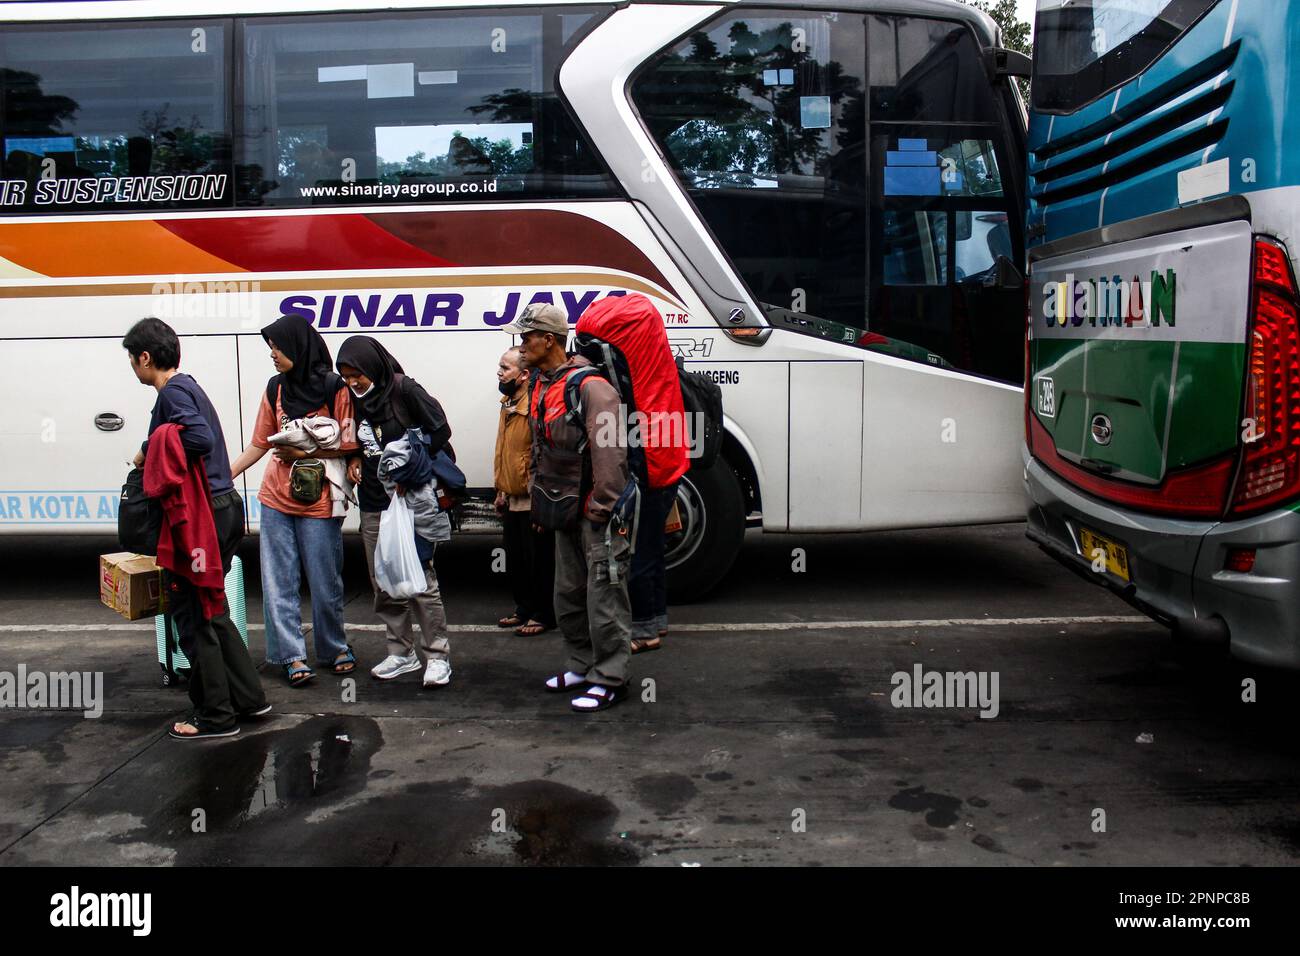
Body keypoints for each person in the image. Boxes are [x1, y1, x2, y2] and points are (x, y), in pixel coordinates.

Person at [123, 317, 269, 739]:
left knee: (193, 613)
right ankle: (248, 698)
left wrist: (151, 447)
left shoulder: (173, 394)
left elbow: (198, 438)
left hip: (201, 516)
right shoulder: (190, 386)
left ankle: (214, 716)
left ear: (145, 358)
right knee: (213, 606)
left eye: (133, 360)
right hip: (221, 509)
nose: (134, 367)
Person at [507, 303, 633, 712]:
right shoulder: (543, 383)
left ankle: (611, 677)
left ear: (550, 340)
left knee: (604, 595)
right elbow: (542, 448)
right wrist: (543, 506)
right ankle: (581, 664)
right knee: (569, 593)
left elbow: (610, 451)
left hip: (597, 513)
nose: (521, 345)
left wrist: (602, 505)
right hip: (562, 510)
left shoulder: (592, 387)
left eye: (527, 337)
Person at [230, 315, 358, 687]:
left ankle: (333, 647)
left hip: (319, 501)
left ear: (299, 348)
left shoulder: (335, 388)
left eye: (278, 346)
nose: (273, 353)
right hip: (275, 498)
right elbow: (260, 441)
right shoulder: (275, 389)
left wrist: (302, 454)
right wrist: (224, 474)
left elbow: (347, 443)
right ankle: (290, 655)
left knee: (324, 579)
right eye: (270, 346)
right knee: (278, 581)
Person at [336, 335, 455, 688]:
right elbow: (358, 439)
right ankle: (401, 653)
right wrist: (354, 457)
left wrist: (408, 467)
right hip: (375, 502)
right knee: (384, 581)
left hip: (411, 498)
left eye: (356, 373)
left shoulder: (406, 391)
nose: (353, 382)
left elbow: (440, 432)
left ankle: (437, 656)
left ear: (373, 366)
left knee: (420, 579)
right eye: (345, 376)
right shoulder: (355, 401)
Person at [493, 346, 555, 637]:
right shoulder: (508, 402)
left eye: (506, 368)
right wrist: (500, 489)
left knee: (538, 562)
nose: (500, 373)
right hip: (511, 495)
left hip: (532, 497)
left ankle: (543, 614)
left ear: (524, 374)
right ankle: (524, 609)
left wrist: (541, 497)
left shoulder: (534, 405)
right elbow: (503, 449)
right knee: (516, 560)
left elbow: (539, 453)